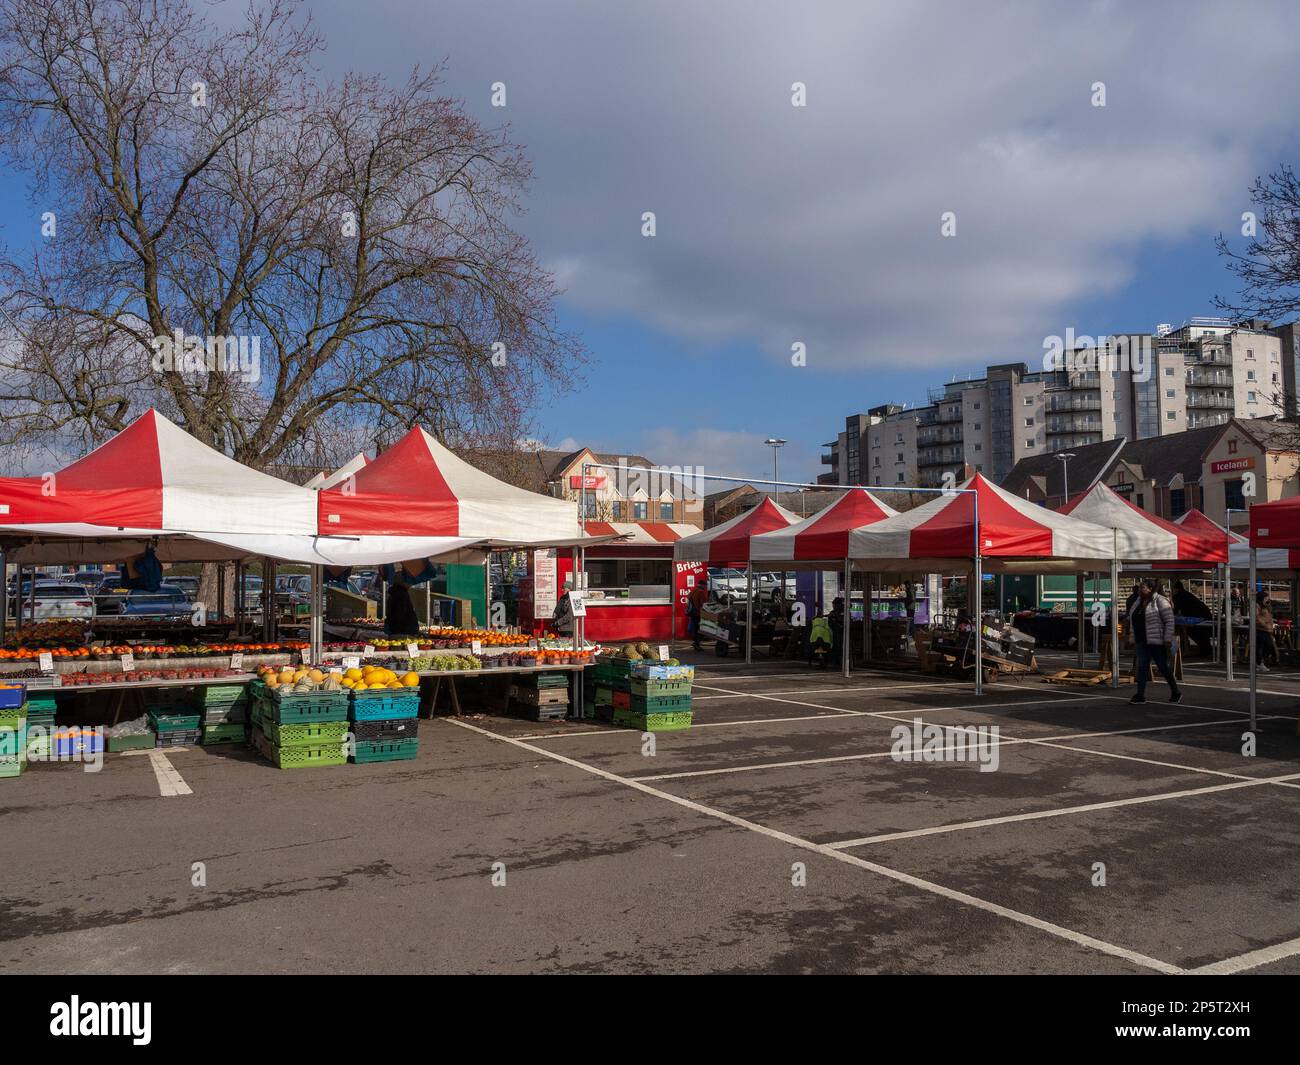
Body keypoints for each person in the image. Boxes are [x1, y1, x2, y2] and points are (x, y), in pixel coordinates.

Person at [1127, 578, 1181, 704]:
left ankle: (1176, 691)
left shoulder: (1160, 601)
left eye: (1143, 587)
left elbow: (1169, 621)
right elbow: (1132, 621)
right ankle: (1140, 695)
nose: (1140, 589)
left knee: (1163, 667)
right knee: (1142, 667)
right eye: (1140, 587)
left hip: (1156, 640)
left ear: (1150, 589)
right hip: (1141, 639)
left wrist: (1167, 638)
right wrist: (1131, 637)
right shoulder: (1138, 602)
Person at [1171, 579, 1213, 656]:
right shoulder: (1186, 594)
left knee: (1195, 632)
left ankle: (1205, 650)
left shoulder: (1179, 596)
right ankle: (1206, 650)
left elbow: (1177, 610)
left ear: (1176, 589)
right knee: (1201, 633)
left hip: (1198, 616)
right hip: (1202, 615)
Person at [1255, 591, 1278, 672]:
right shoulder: (1257, 606)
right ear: (1262, 598)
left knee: (1269, 645)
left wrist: (1268, 605)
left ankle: (1260, 662)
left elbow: (1269, 615)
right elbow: (1256, 617)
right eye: (1266, 598)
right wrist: (1263, 624)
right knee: (1261, 647)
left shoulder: (1266, 606)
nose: (1267, 599)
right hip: (1261, 629)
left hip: (1268, 629)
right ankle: (1259, 663)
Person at [687, 576, 709, 652]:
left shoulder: (693, 591)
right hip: (698, 613)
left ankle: (696, 643)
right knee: (702, 629)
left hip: (692, 613)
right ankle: (696, 643)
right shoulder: (701, 592)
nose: (706, 587)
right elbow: (704, 604)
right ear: (703, 585)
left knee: (695, 628)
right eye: (705, 586)